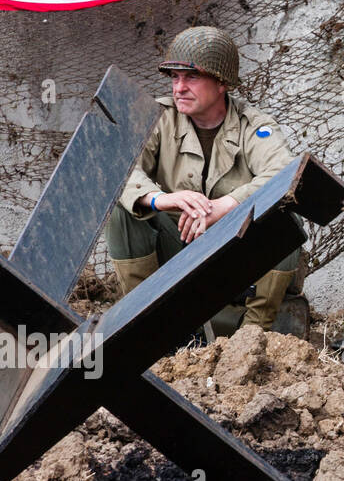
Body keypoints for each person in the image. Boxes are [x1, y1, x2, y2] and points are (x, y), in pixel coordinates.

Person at [109, 26, 298, 329]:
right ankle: (143, 325)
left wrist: (227, 204)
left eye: (191, 77)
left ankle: (252, 336)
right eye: (174, 77)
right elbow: (119, 169)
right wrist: (160, 199)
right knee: (123, 210)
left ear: (222, 83)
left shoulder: (254, 126)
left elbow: (285, 174)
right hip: (179, 251)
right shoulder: (159, 116)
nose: (179, 87)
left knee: (285, 216)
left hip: (235, 260)